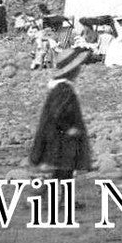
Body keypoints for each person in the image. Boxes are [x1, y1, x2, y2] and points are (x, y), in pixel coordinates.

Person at [30, 47, 92, 181]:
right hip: (62, 139)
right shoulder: (64, 89)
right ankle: (59, 194)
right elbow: (57, 112)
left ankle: (55, 193)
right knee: (64, 171)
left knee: (60, 172)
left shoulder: (59, 88)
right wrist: (69, 128)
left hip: (56, 136)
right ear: (72, 71)